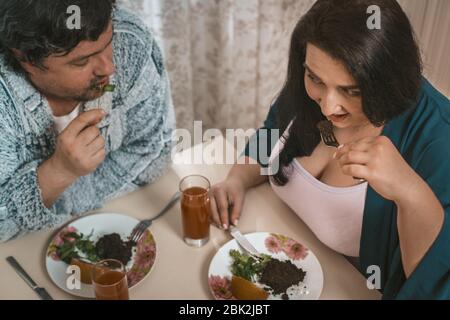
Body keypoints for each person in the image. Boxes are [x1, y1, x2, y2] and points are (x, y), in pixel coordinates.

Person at [210, 0, 449, 299]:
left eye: (352, 91)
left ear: (387, 78)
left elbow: (434, 283)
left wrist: (409, 192)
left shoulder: (439, 140)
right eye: (315, 79)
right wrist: (237, 179)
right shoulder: (315, 80)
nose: (327, 105)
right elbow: (272, 132)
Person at [0, 0, 175, 242]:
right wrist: (58, 172)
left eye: (108, 43)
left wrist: (56, 203)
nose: (109, 68)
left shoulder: (130, 40)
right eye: (81, 61)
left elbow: (157, 153)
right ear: (26, 60)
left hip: (130, 217)